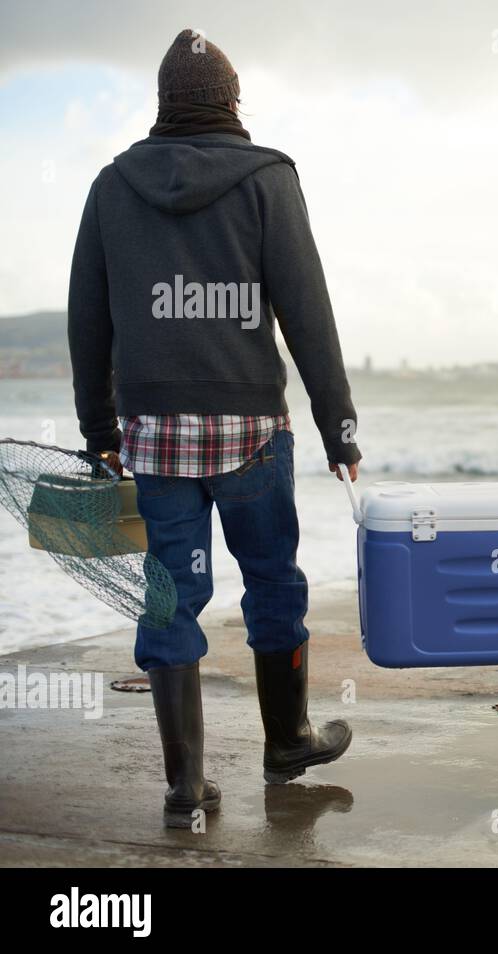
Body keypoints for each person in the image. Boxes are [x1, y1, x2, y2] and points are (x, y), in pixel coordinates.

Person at [68, 29, 361, 827]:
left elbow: (88, 320)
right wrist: (339, 426)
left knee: (170, 596)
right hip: (252, 430)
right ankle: (288, 738)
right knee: (272, 578)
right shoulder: (268, 176)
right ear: (232, 103)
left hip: (154, 433)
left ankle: (185, 783)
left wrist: (100, 429)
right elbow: (308, 310)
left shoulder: (112, 186)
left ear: (165, 105)